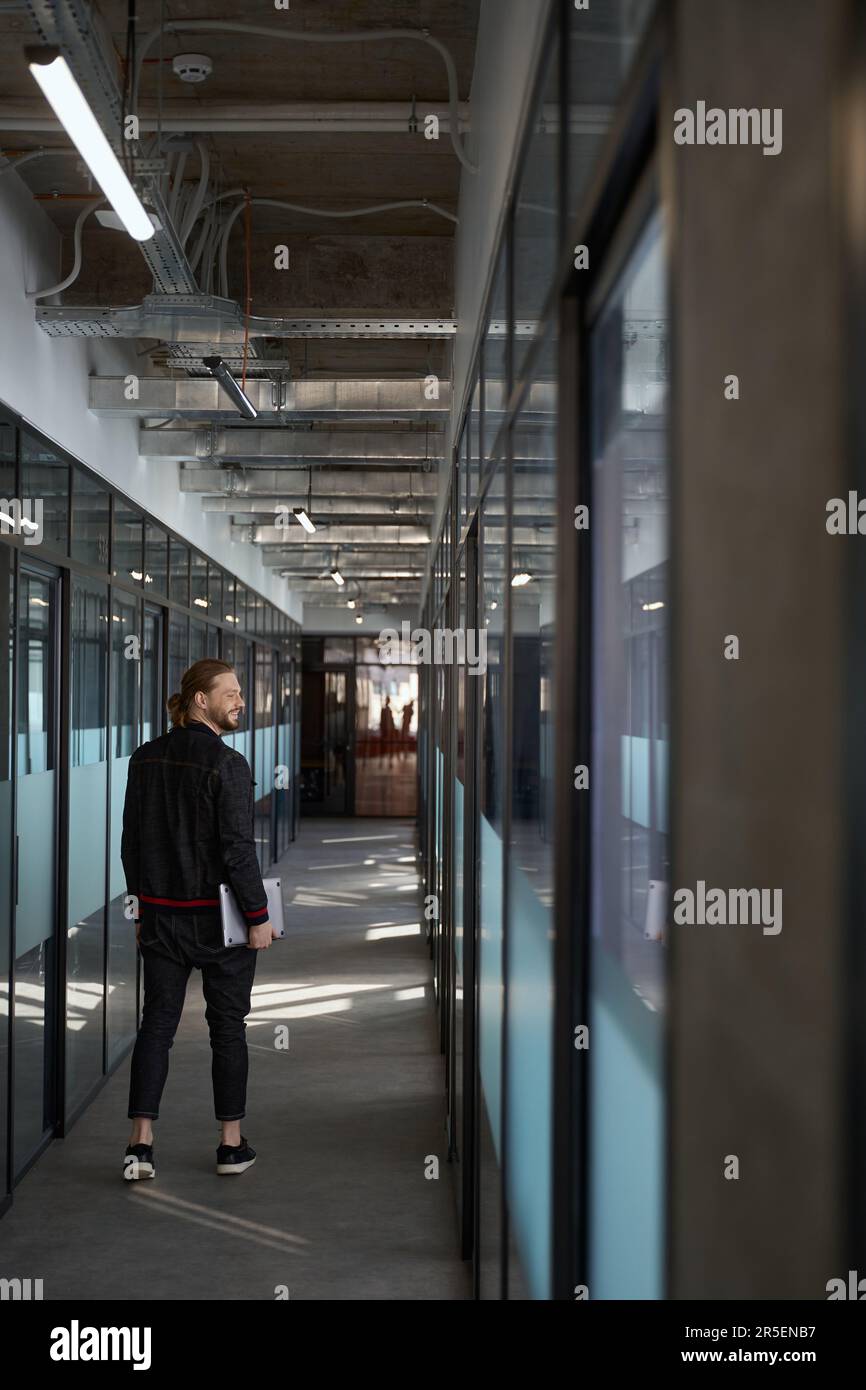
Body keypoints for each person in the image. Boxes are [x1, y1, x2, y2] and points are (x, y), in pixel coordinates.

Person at [120, 659, 278, 1182]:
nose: (239, 701)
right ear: (198, 701)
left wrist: (142, 907)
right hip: (220, 925)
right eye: (229, 694)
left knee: (158, 1026)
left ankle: (140, 1145)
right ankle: (230, 1146)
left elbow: (132, 845)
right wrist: (259, 916)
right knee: (227, 1028)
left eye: (240, 693)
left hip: (163, 920)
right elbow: (237, 851)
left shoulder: (144, 759)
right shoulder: (228, 764)